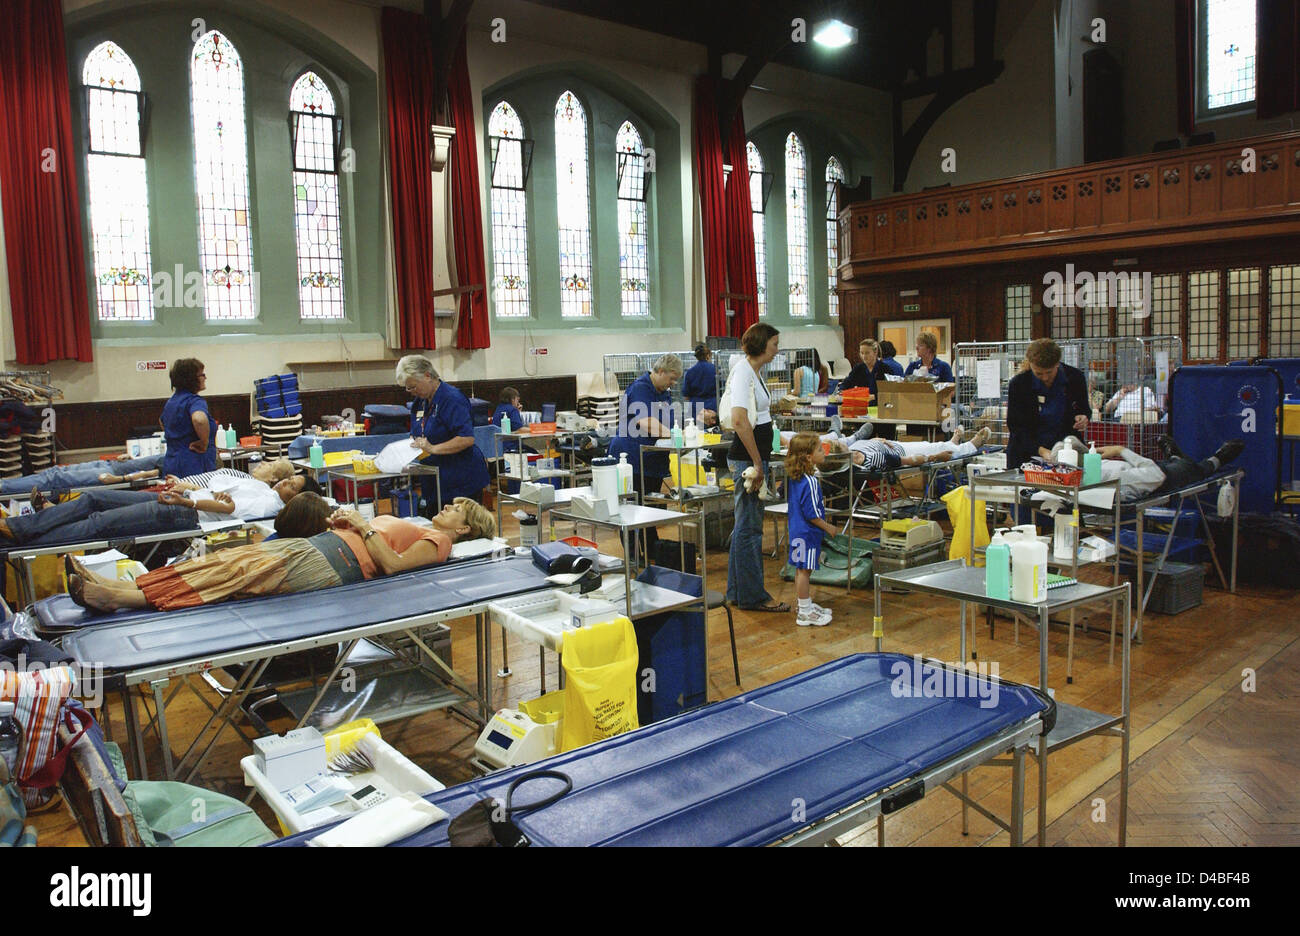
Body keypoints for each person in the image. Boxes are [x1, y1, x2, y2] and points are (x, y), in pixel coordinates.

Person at [67, 497, 497, 614]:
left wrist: (363, 526)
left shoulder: (439, 543)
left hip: (331, 564)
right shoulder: (421, 524)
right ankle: (122, 583)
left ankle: (122, 599)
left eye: (457, 508)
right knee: (223, 561)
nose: (450, 505)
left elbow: (393, 565)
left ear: (464, 529)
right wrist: (346, 522)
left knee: (232, 578)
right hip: (322, 548)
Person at [0, 473, 318, 549]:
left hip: (182, 515)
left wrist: (187, 501)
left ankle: (23, 538)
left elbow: (228, 507)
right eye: (290, 477)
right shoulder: (262, 487)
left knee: (98, 523)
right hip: (181, 503)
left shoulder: (269, 505)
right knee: (94, 498)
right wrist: (185, 487)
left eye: (293, 484)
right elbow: (218, 493)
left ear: (295, 499)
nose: (287, 481)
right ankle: (25, 527)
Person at [726, 322, 786, 612]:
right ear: (763, 345)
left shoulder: (753, 373)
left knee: (744, 528)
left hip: (753, 457)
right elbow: (739, 420)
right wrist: (758, 461)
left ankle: (738, 591)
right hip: (747, 460)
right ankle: (753, 596)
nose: (777, 349)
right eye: (775, 344)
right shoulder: (743, 372)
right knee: (750, 530)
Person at [397, 355, 491, 515]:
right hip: (434, 481)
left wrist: (433, 448)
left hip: (461, 479)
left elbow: (466, 438)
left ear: (427, 376)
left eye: (413, 387)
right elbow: (418, 431)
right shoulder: (421, 402)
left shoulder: (452, 398)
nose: (412, 392)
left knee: (461, 532)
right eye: (408, 388)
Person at [607, 353, 683, 500]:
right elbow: (647, 422)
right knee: (636, 509)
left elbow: (668, 421)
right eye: (672, 378)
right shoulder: (640, 389)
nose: (673, 383)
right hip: (633, 459)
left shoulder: (664, 393)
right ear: (661, 371)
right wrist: (677, 436)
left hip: (654, 461)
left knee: (655, 509)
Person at [1006, 338, 1091, 468]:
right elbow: (1016, 427)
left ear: (1057, 363)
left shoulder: (1075, 378)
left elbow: (1084, 409)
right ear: (1030, 364)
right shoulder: (1019, 384)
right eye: (1038, 373)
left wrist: (1083, 417)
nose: (1045, 377)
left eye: (1049, 372)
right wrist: (1041, 451)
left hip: (1066, 452)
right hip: (1025, 454)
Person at [784, 432, 838, 627]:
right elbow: (812, 514)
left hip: (797, 531)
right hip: (808, 533)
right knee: (805, 571)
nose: (824, 452)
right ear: (808, 457)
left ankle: (803, 604)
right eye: (819, 449)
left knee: (801, 570)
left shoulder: (796, 478)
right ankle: (805, 611)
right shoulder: (811, 482)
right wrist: (829, 527)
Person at [0, 453, 164, 496]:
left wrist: (122, 479)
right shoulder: (184, 448)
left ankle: (3, 487)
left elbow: (159, 474)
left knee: (56, 479)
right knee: (56, 472)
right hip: (115, 466)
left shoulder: (186, 458)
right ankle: (4, 485)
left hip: (113, 473)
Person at [837, 425, 992, 470]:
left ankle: (953, 441)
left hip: (893, 444)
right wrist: (936, 458)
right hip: (902, 451)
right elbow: (907, 461)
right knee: (934, 448)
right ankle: (971, 445)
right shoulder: (872, 460)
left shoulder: (852, 447)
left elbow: (867, 443)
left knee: (931, 445)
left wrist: (879, 440)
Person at [161, 358, 216, 479]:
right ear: (192, 379)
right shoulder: (194, 401)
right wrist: (204, 442)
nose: (205, 378)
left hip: (172, 462)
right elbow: (199, 419)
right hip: (194, 464)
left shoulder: (171, 402)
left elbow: (162, 421)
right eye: (202, 374)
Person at [682, 344, 718, 426]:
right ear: (708, 355)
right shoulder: (715, 370)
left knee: (695, 432)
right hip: (712, 406)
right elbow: (721, 390)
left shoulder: (690, 372)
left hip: (696, 407)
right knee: (713, 432)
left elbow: (686, 395)